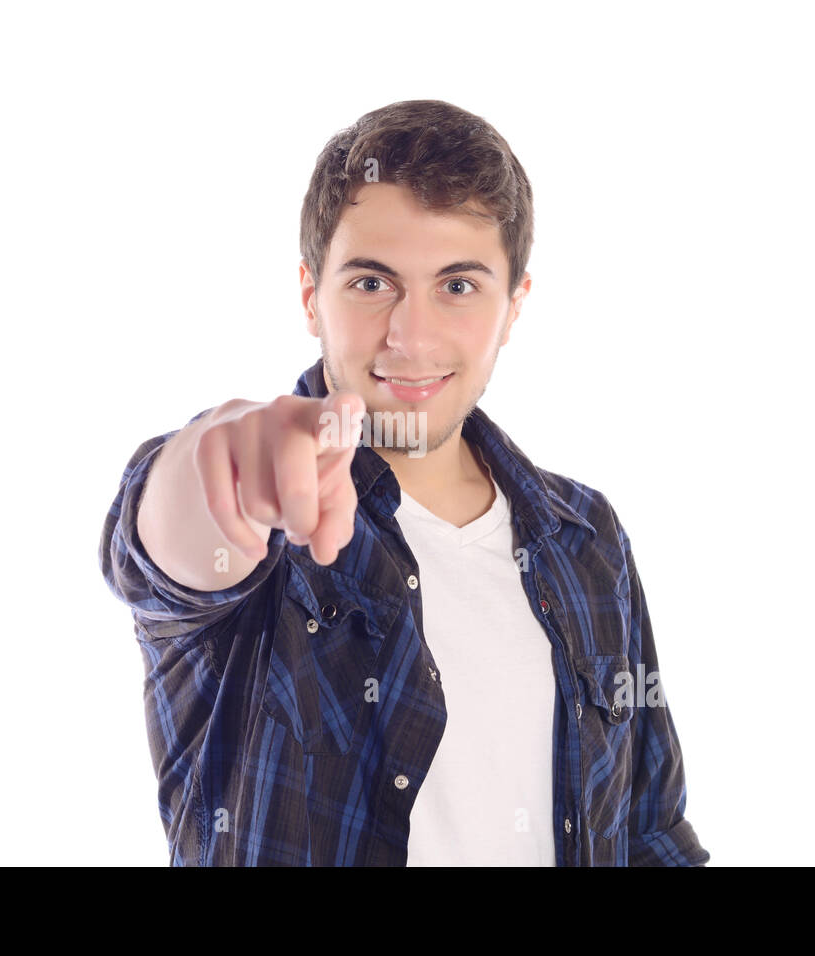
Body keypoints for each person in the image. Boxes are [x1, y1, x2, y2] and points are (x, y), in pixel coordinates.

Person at [99, 99, 710, 866]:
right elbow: (167, 540)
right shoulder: (269, 522)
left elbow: (649, 833)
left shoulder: (587, 537)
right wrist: (215, 469)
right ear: (308, 295)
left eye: (458, 286)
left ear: (514, 307)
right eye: (370, 283)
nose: (411, 336)